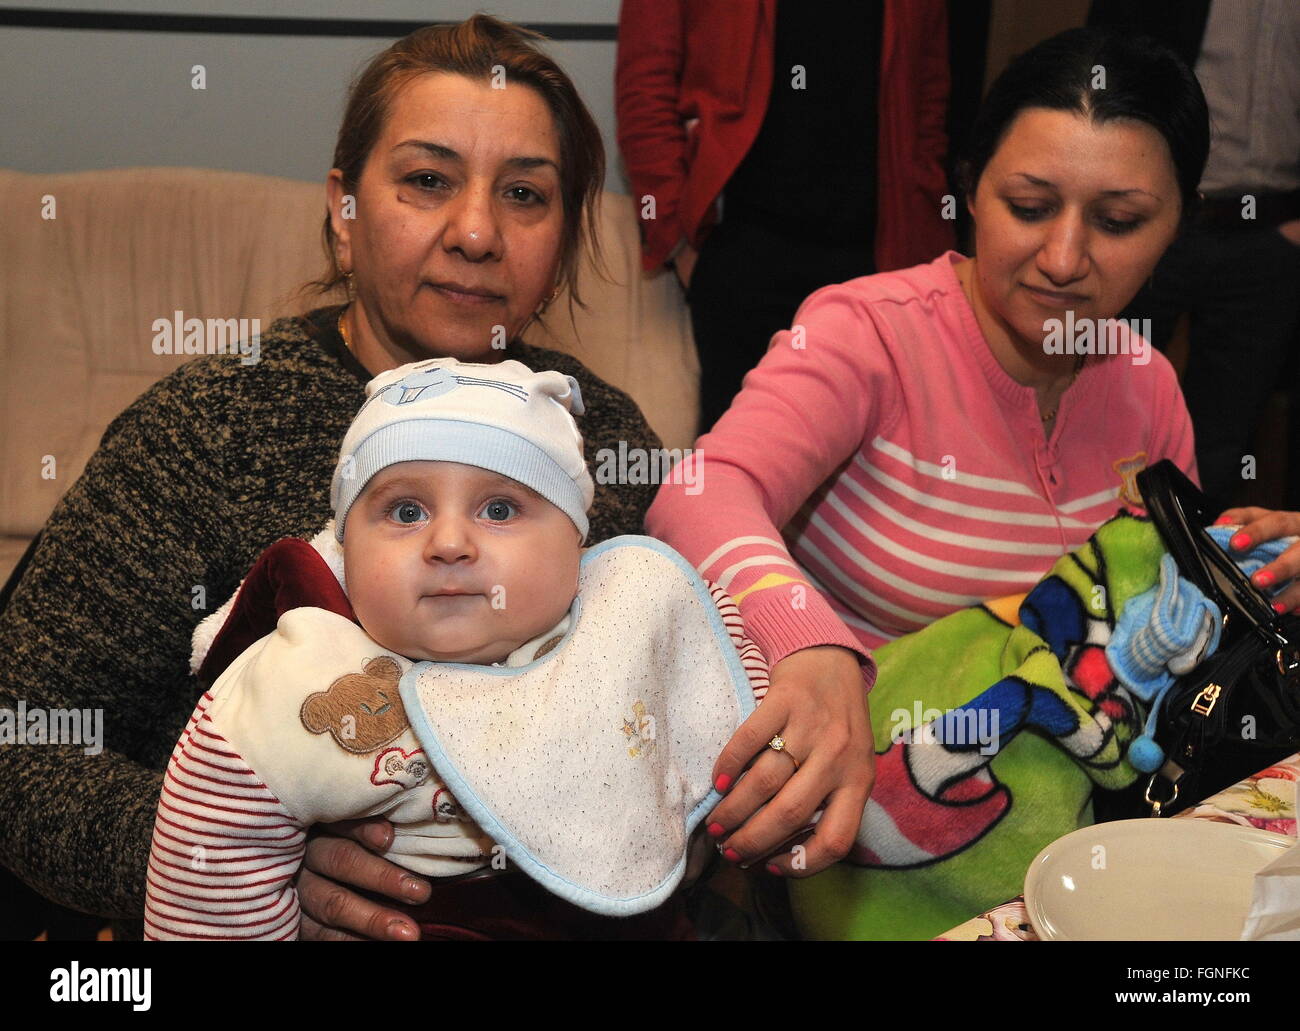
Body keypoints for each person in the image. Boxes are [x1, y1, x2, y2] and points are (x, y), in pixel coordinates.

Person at [0, 16, 666, 942]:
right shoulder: (211, 426)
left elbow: (676, 696)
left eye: (524, 193)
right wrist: (236, 859)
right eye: (428, 180)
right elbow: (22, 735)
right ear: (343, 215)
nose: (476, 231)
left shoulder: (609, 438)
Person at [645, 26, 1300, 885]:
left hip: (1062, 838)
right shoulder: (867, 333)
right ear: (970, 193)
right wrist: (811, 645)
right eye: (1028, 207)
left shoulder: (1148, 388)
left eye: (1119, 222)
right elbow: (701, 487)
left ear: (1178, 227)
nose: (1064, 259)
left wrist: (1252, 581)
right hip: (860, 840)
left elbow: (1146, 623)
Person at [145, 358, 767, 940]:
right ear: (345, 553)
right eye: (406, 511)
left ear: (576, 550)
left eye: (499, 508)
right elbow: (210, 856)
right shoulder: (303, 675)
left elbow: (729, 668)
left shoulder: (624, 615)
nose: (448, 542)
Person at [615, 0, 955, 434]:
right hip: (742, 256)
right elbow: (645, 89)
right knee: (740, 466)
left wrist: (924, 255)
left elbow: (927, 104)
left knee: (872, 472)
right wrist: (679, 243)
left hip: (879, 264)